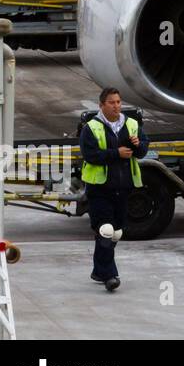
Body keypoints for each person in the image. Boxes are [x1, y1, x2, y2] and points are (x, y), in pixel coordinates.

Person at [78, 87, 149, 292]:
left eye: (118, 102)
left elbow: (143, 150)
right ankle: (110, 275)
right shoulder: (91, 127)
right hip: (100, 187)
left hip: (124, 186)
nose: (116, 106)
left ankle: (99, 270)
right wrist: (116, 154)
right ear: (101, 105)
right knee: (106, 230)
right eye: (112, 102)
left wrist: (138, 145)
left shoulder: (132, 124)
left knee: (115, 233)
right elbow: (90, 155)